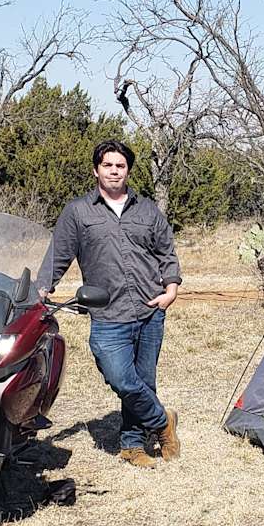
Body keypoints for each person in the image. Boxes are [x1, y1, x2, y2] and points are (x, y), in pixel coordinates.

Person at [38, 139, 182, 468]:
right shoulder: (78, 212)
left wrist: (171, 289)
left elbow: (166, 250)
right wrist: (40, 290)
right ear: (96, 170)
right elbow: (58, 256)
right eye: (108, 165)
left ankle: (132, 445)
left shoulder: (147, 209)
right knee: (120, 379)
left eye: (120, 165)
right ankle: (163, 422)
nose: (114, 171)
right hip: (107, 313)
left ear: (128, 170)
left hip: (150, 310)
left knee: (143, 381)